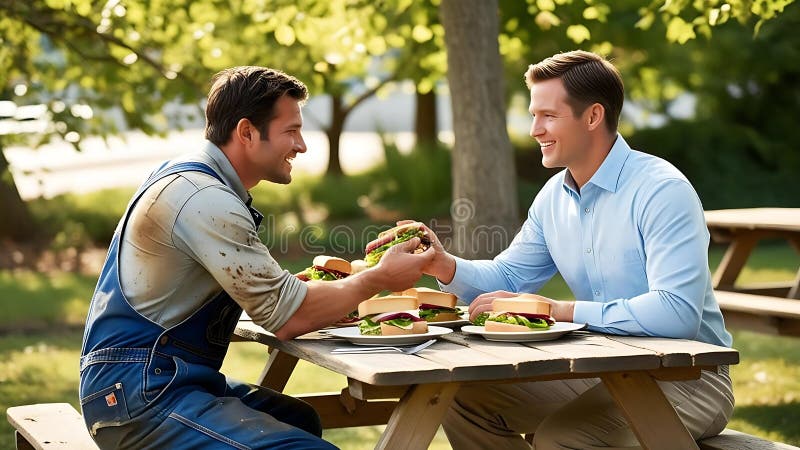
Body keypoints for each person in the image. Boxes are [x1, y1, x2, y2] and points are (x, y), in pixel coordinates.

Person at [78, 66, 433, 449]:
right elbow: (288, 317)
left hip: (150, 380)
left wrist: (310, 291)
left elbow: (270, 299)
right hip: (141, 396)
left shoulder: (191, 178)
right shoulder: (205, 199)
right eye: (291, 131)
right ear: (247, 132)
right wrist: (378, 278)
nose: (302, 145)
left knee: (299, 419)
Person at [420, 50, 734, 449]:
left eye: (548, 116)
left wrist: (559, 310)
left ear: (593, 116)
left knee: (561, 439)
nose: (535, 129)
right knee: (457, 397)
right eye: (534, 115)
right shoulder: (554, 197)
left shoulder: (661, 190)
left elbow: (676, 315)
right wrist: (444, 264)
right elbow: (508, 278)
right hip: (603, 369)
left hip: (690, 377)